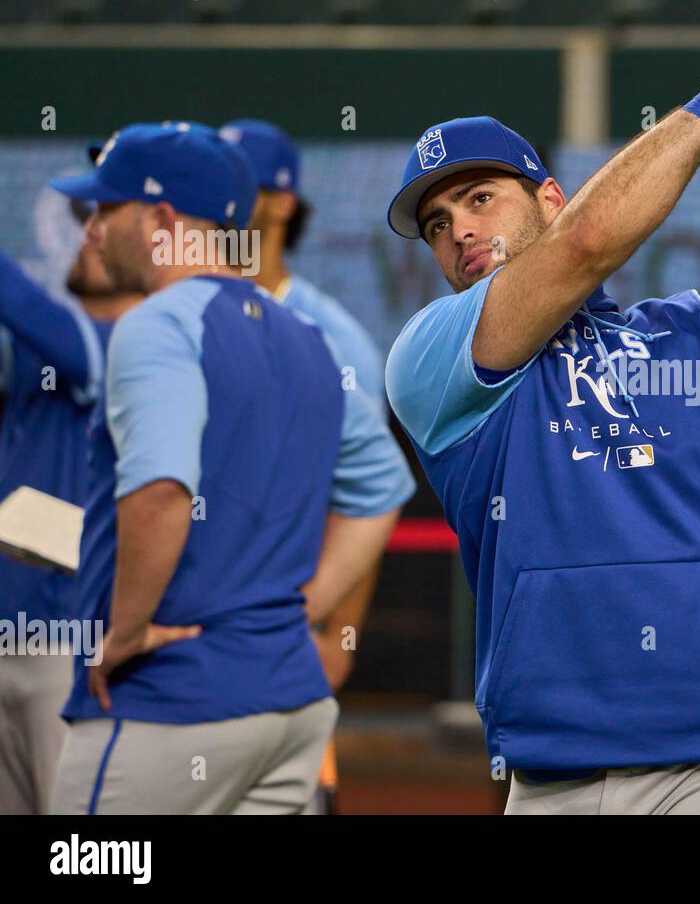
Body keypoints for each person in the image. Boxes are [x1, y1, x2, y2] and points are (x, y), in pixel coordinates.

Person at [384, 16, 700, 814]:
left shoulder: (693, 327)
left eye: (478, 198)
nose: (459, 229)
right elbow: (585, 247)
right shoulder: (433, 358)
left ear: (550, 197)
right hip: (549, 776)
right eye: (437, 223)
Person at [45, 121, 415, 814]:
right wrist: (292, 611)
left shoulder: (157, 325)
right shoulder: (305, 337)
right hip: (288, 709)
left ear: (159, 218)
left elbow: (160, 491)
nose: (91, 229)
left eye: (104, 209)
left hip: (170, 699)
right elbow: (382, 492)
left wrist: (124, 634)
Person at [216, 117, 388, 695]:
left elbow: (364, 491)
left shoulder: (334, 337)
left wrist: (341, 638)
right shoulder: (177, 314)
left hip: (281, 627)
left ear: (283, 202)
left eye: (243, 183)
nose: (226, 198)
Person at [0, 227, 140, 815]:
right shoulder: (38, 347)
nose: (90, 236)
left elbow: (30, 309)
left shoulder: (129, 346)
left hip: (69, 644)